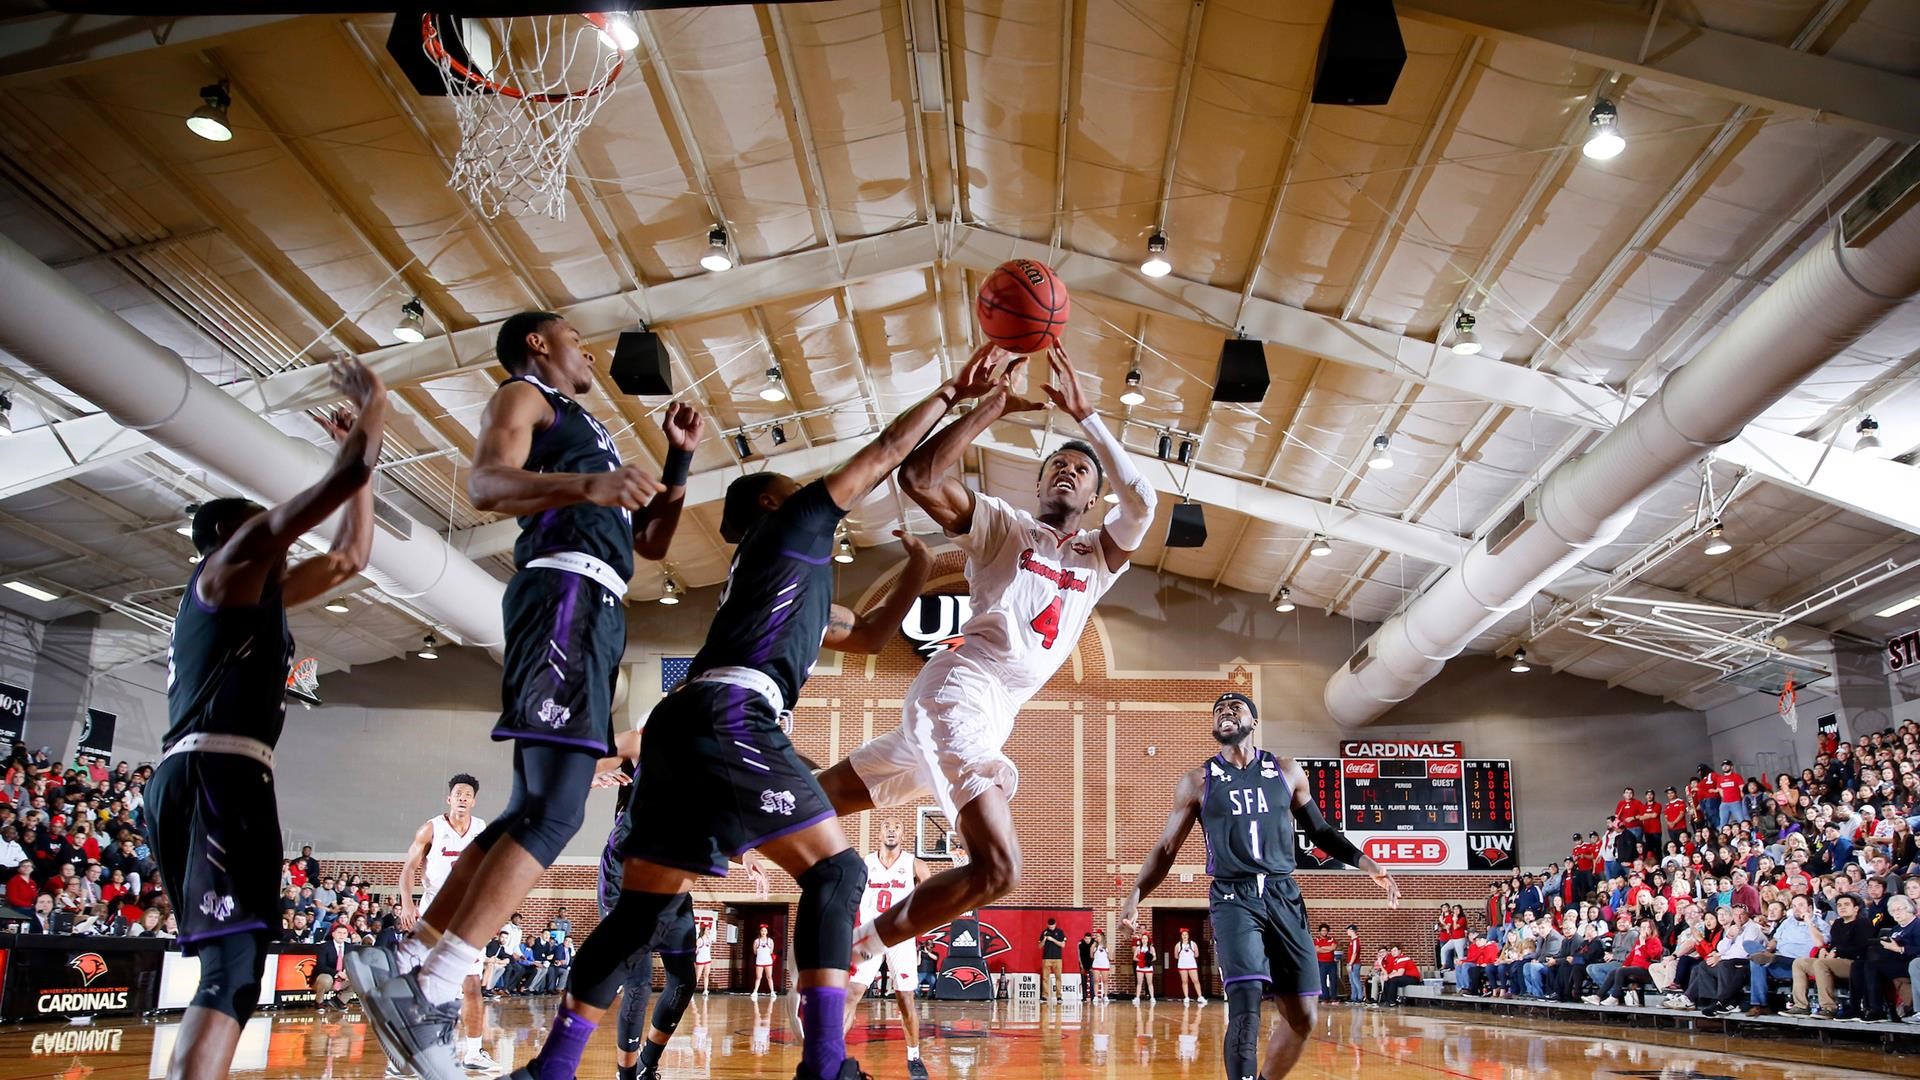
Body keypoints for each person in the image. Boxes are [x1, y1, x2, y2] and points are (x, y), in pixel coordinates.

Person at [502, 346, 1013, 1080]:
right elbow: (888, 451)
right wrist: (952, 395)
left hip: (682, 724)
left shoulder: (788, 577)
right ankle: (827, 1064)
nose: (819, 495)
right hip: (731, 712)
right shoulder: (795, 524)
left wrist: (913, 570)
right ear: (774, 502)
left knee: (639, 914)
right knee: (837, 876)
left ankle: (550, 1069)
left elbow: (867, 637)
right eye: (797, 487)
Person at [356, 314, 701, 1080]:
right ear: (539, 345)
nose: (587, 347)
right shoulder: (524, 395)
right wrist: (589, 484)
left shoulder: (587, 427)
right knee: (555, 813)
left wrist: (677, 466)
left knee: (527, 811)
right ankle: (435, 982)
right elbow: (484, 484)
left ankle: (411, 955)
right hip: (565, 595)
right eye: (573, 335)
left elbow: (652, 545)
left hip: (598, 606)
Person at [831, 346, 1158, 972]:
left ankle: (720, 826)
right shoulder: (1005, 527)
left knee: (824, 800)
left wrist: (1089, 420)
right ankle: (862, 949)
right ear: (1035, 485)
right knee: (1000, 868)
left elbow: (1142, 501)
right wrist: (992, 407)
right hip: (961, 687)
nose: (1067, 472)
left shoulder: (1097, 560)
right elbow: (921, 477)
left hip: (993, 710)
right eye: (1055, 466)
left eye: (1080, 471)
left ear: (1093, 497)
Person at [148, 359, 388, 1080]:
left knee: (239, 970)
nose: (277, 529)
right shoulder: (228, 565)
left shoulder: (260, 595)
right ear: (232, 531)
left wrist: (366, 471)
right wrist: (372, 412)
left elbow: (350, 557)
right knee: (231, 969)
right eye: (264, 520)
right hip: (215, 770)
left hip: (221, 772)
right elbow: (334, 486)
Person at [1118, 692, 1401, 1080]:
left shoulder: (1286, 770)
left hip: (1284, 894)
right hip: (1234, 896)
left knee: (1303, 1015)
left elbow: (1320, 830)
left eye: (1235, 708)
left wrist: (1367, 863)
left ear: (1254, 720)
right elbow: (1167, 848)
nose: (1225, 713)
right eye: (1218, 711)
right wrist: (1136, 892)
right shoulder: (1198, 781)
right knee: (1246, 1002)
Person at [398, 774, 495, 1075]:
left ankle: (474, 1052)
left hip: (468, 917)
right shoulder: (431, 829)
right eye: (458, 793)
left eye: (468, 794)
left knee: (472, 987)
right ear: (449, 799)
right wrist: (406, 902)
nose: (463, 797)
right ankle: (411, 1051)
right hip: (435, 914)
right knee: (426, 986)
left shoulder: (481, 829)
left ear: (474, 800)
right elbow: (408, 868)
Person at [843, 820, 930, 1080]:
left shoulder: (914, 864)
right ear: (879, 833)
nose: (891, 830)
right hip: (869, 935)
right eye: (886, 826)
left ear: (903, 834)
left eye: (897, 827)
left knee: (905, 999)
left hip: (901, 936)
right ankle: (832, 1054)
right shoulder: (864, 863)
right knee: (850, 995)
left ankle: (914, 1056)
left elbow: (930, 893)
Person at [312, 920, 355, 1012]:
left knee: (357, 979)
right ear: (333, 934)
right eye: (339, 933)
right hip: (327, 977)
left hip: (343, 978)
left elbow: (353, 964)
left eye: (344, 933)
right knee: (325, 979)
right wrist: (337, 973)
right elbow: (320, 966)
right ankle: (319, 1002)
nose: (341, 935)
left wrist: (348, 972)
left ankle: (339, 1001)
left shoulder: (350, 947)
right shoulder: (324, 947)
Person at [1039, 918, 1068, 1003]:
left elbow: (1063, 945)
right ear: (1047, 925)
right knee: (1045, 978)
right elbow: (1039, 946)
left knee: (1058, 977)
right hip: (1046, 958)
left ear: (1055, 924)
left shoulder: (1060, 932)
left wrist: (1052, 939)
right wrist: (1044, 939)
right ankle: (1044, 996)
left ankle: (1059, 996)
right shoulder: (1044, 932)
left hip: (1057, 958)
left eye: (1053, 926)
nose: (1051, 927)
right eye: (1050, 926)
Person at [1172, 928, 1203, 1003]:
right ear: (1181, 936)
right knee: (1185, 981)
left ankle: (1200, 996)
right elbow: (1176, 956)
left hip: (1192, 965)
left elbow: (1197, 954)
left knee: (1196, 980)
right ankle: (1186, 997)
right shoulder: (1178, 945)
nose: (1185, 936)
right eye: (1183, 935)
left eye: (1186, 934)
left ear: (1188, 936)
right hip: (1182, 965)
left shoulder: (1193, 944)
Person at [751, 925, 778, 998]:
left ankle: (772, 992)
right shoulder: (756, 941)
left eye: (765, 931)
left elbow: (771, 951)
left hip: (768, 962)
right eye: (762, 930)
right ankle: (755, 991)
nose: (763, 932)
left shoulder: (770, 941)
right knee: (758, 977)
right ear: (760, 931)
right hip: (759, 962)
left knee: (769, 977)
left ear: (767, 932)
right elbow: (755, 952)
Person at [1132, 935, 1157, 1003]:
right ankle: (1137, 997)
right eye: (1143, 938)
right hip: (1140, 967)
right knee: (1139, 983)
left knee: (1150, 983)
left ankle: (1152, 997)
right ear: (1141, 940)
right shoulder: (1138, 948)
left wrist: (1148, 961)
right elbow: (1134, 958)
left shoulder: (1151, 948)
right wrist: (1141, 960)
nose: (1144, 940)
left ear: (1148, 940)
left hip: (1148, 967)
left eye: (1145, 938)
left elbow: (1155, 958)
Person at [694, 922, 715, 996]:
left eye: (709, 929)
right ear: (704, 930)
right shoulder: (699, 940)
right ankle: (691, 991)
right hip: (700, 960)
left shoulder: (709, 939)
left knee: (706, 975)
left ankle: (705, 990)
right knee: (698, 976)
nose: (709, 931)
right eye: (707, 929)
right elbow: (695, 951)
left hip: (707, 959)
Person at [1090, 933, 1111, 1001]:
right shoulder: (1094, 945)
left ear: (1102, 937)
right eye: (1096, 936)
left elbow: (1110, 956)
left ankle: (1105, 996)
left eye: (1098, 936)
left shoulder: (1106, 945)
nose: (1097, 937)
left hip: (1105, 965)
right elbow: (1091, 955)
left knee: (1105, 981)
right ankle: (1096, 996)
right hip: (1096, 965)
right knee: (1096, 981)